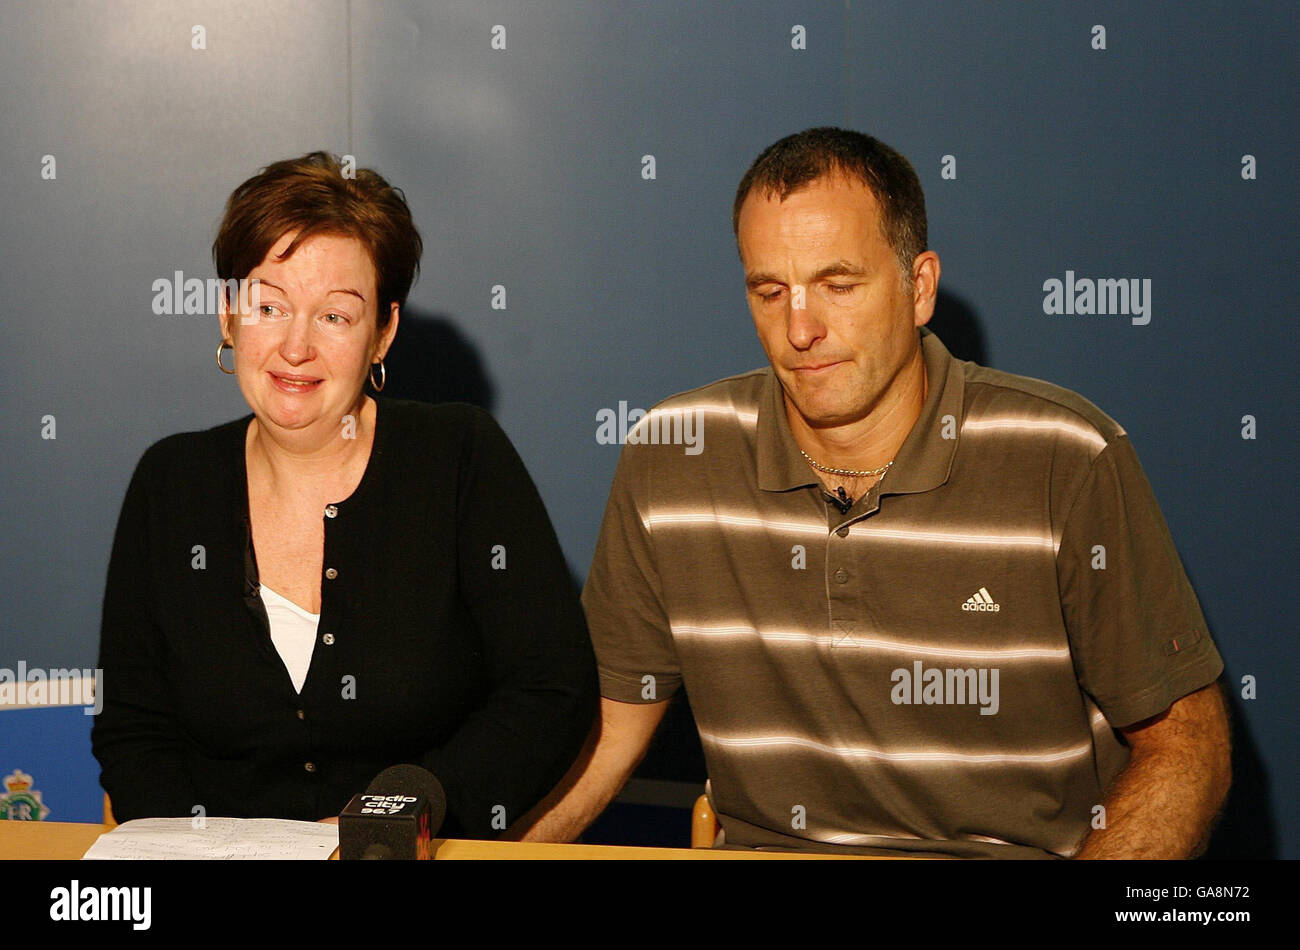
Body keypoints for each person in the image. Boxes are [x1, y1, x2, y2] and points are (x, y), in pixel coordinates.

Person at [518, 128, 1231, 858]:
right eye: (770, 291)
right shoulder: (673, 456)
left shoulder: (1065, 459)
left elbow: (1187, 746)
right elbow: (609, 728)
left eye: (837, 284)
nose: (800, 329)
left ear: (918, 287)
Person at [92, 152, 597, 838]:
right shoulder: (170, 482)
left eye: (334, 316)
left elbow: (550, 694)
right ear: (228, 317)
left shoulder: (459, 456)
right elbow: (135, 735)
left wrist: (401, 816)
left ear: (382, 333)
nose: (295, 347)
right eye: (269, 306)